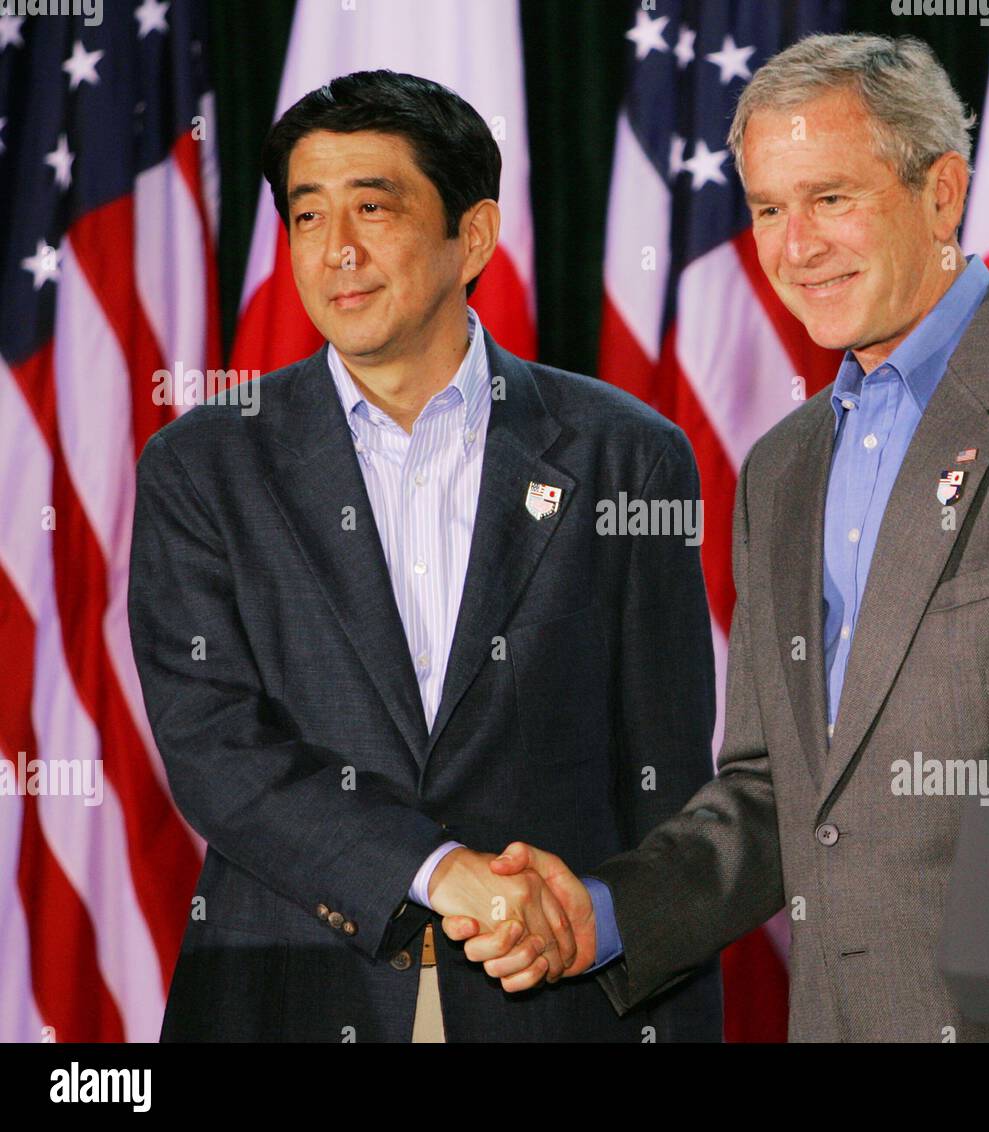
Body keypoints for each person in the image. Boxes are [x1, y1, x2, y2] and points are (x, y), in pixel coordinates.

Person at [455, 34, 989, 1041]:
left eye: (831, 197)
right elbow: (774, 795)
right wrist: (601, 915)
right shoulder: (782, 468)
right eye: (766, 210)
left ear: (942, 192)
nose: (795, 247)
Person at [127, 69, 720, 1042]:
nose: (337, 251)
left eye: (372, 207)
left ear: (473, 235)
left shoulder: (625, 452)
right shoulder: (207, 462)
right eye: (308, 217)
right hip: (292, 993)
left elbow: (663, 778)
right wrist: (440, 870)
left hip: (554, 1000)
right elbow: (212, 748)